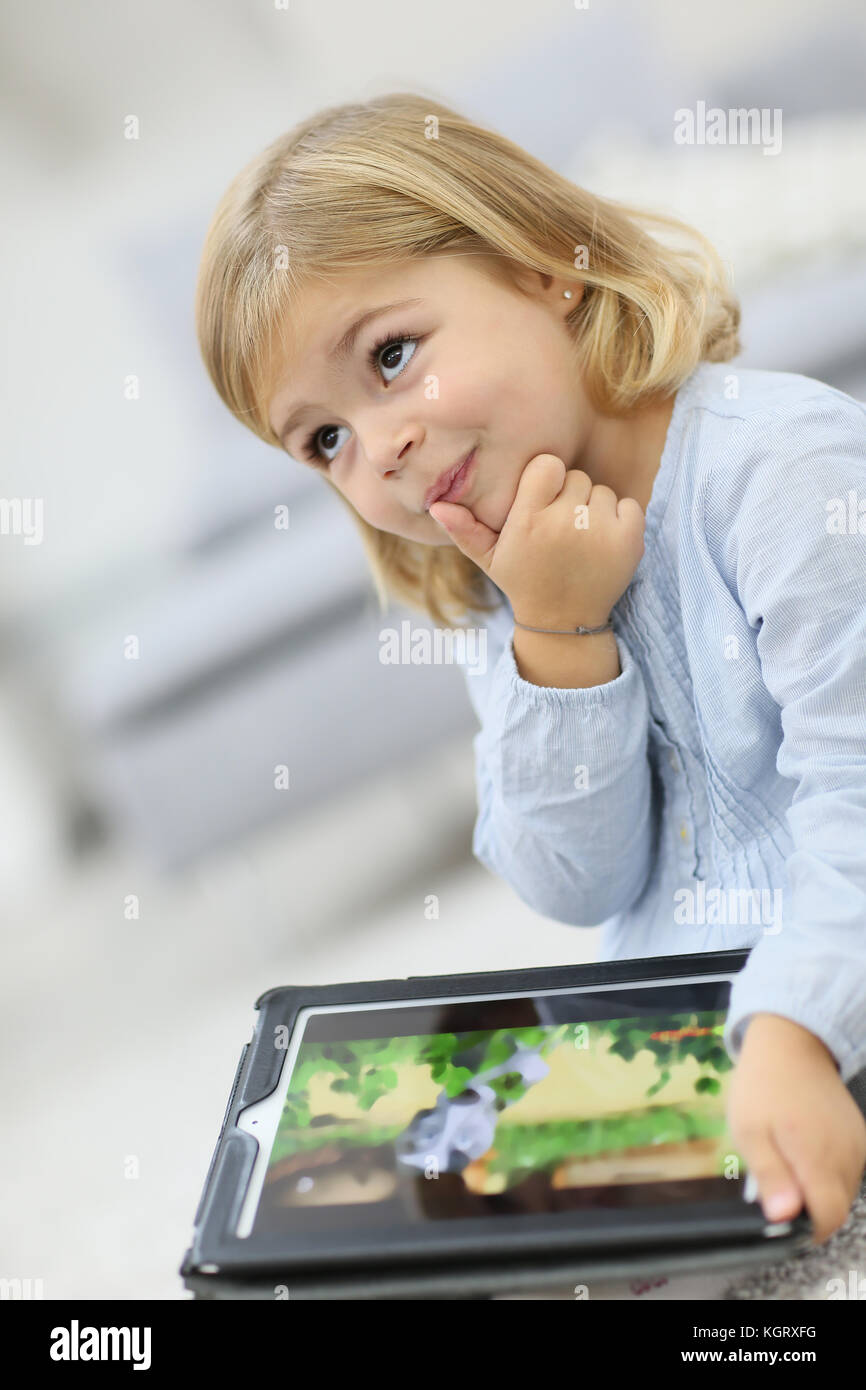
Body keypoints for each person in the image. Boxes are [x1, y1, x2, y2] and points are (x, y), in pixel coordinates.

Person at [194, 92, 866, 1246]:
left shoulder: (783, 473)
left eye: (392, 356)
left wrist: (794, 1032)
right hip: (683, 1047)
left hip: (821, 1009)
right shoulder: (493, 586)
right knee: (396, 1191)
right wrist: (557, 640)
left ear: (545, 264)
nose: (382, 450)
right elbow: (578, 883)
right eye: (324, 441)